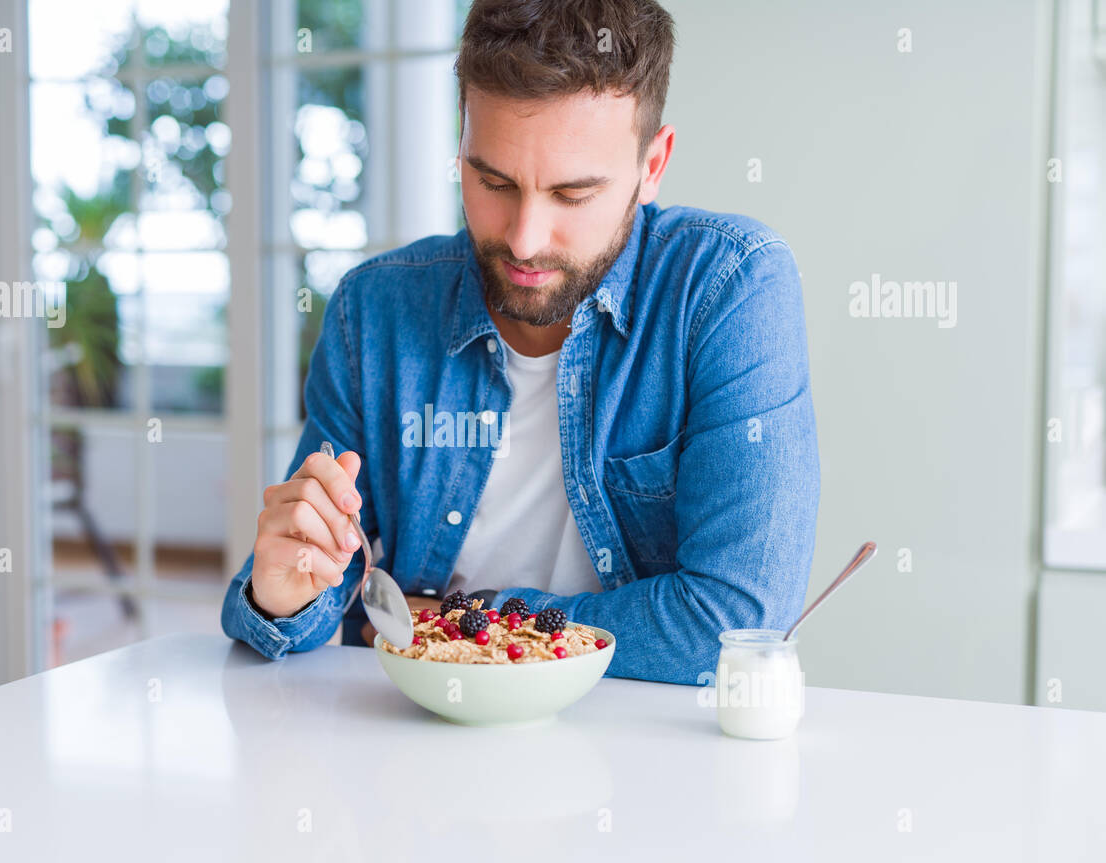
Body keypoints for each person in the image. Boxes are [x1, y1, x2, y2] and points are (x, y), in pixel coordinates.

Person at [221, 0, 820, 684]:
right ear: (462, 141)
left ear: (653, 164)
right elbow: (309, 597)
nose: (525, 238)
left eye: (573, 194)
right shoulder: (375, 309)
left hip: (648, 763)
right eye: (493, 181)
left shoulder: (728, 289)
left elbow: (739, 623)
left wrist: (459, 620)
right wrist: (281, 589)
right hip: (415, 745)